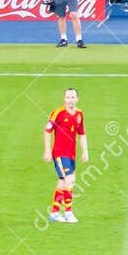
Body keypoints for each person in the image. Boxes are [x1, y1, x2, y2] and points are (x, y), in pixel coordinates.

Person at [43, 88, 88, 223]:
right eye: (68, 97)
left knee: (63, 182)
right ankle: (68, 213)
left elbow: (82, 134)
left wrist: (85, 151)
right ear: (64, 99)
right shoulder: (58, 113)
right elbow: (47, 131)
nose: (70, 100)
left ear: (77, 99)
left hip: (71, 154)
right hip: (59, 153)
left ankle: (55, 213)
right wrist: (47, 150)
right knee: (70, 180)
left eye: (72, 97)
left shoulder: (79, 114)